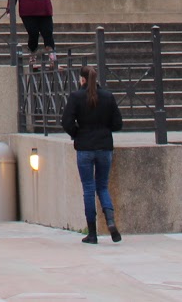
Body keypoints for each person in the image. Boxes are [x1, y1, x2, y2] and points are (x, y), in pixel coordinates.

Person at [60, 64, 122, 244]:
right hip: (104, 147)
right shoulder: (108, 97)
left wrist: (77, 133)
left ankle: (92, 233)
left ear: (82, 79)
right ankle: (110, 222)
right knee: (102, 186)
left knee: (88, 188)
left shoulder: (76, 97)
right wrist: (104, 130)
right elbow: (118, 123)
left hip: (85, 147)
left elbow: (66, 121)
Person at [15, 0, 59, 64]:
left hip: (44, 11)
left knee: (47, 32)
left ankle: (51, 54)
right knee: (33, 33)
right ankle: (33, 54)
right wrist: (9, 8)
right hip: (28, 12)